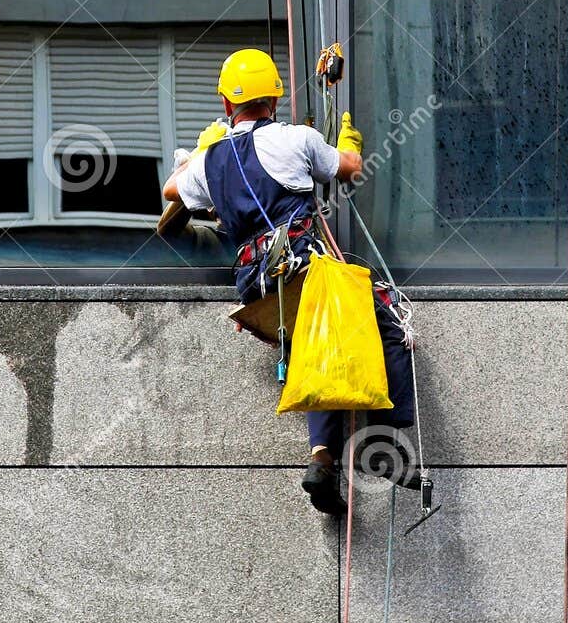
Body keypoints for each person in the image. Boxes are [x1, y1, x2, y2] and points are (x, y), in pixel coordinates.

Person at [162, 48, 416, 517]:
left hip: (255, 288)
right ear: (275, 100)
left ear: (226, 105)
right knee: (389, 317)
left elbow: (171, 192)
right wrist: (346, 138)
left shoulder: (209, 161)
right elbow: (350, 167)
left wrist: (203, 149)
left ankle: (322, 458)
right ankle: (390, 442)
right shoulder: (296, 138)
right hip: (299, 266)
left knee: (317, 349)